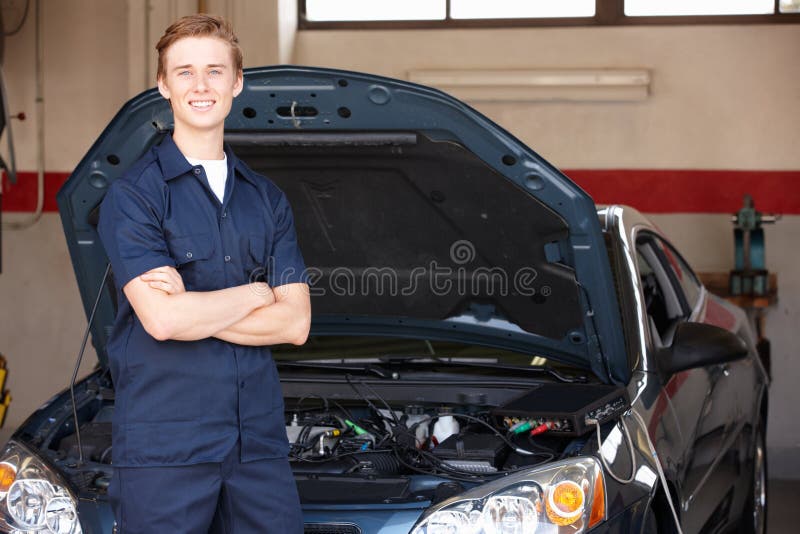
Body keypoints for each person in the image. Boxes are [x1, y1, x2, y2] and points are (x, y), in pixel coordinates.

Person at [97, 14, 310, 533]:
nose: (201, 86)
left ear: (236, 83)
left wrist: (195, 307)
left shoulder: (266, 199)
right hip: (164, 451)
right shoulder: (134, 198)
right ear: (163, 84)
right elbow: (164, 322)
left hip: (256, 446)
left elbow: (295, 325)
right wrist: (258, 293)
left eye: (215, 71)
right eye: (185, 72)